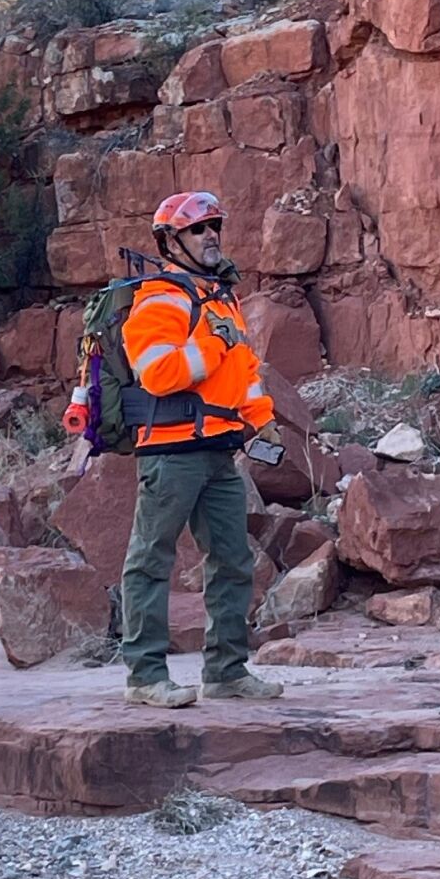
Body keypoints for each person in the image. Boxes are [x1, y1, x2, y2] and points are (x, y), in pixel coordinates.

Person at [120, 192, 286, 709]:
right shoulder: (159, 299)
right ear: (171, 241)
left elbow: (243, 372)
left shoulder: (220, 298)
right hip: (171, 452)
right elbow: (158, 373)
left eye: (215, 225)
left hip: (218, 447)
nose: (211, 235)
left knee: (234, 559)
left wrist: (263, 422)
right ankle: (145, 677)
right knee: (151, 560)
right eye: (198, 229)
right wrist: (213, 343)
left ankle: (226, 671)